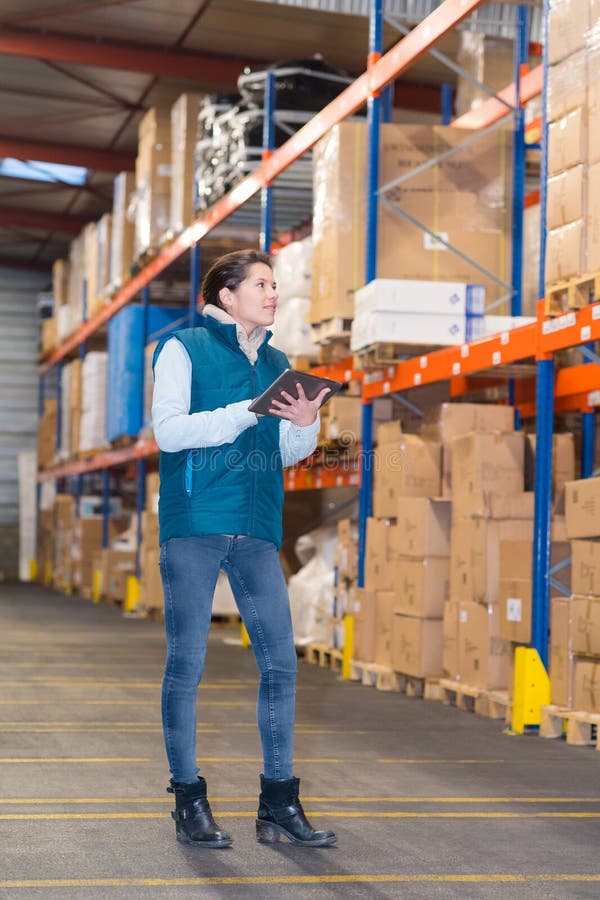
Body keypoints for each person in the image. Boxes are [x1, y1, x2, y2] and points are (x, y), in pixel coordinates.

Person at [151, 248, 337, 849]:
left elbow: (283, 453)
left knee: (281, 665)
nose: (274, 293)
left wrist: (305, 424)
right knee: (187, 665)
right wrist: (239, 413)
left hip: (257, 526)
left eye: (275, 285)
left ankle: (278, 804)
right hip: (196, 520)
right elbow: (168, 431)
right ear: (226, 296)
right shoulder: (182, 349)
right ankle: (188, 801)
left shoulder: (279, 363)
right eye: (262, 284)